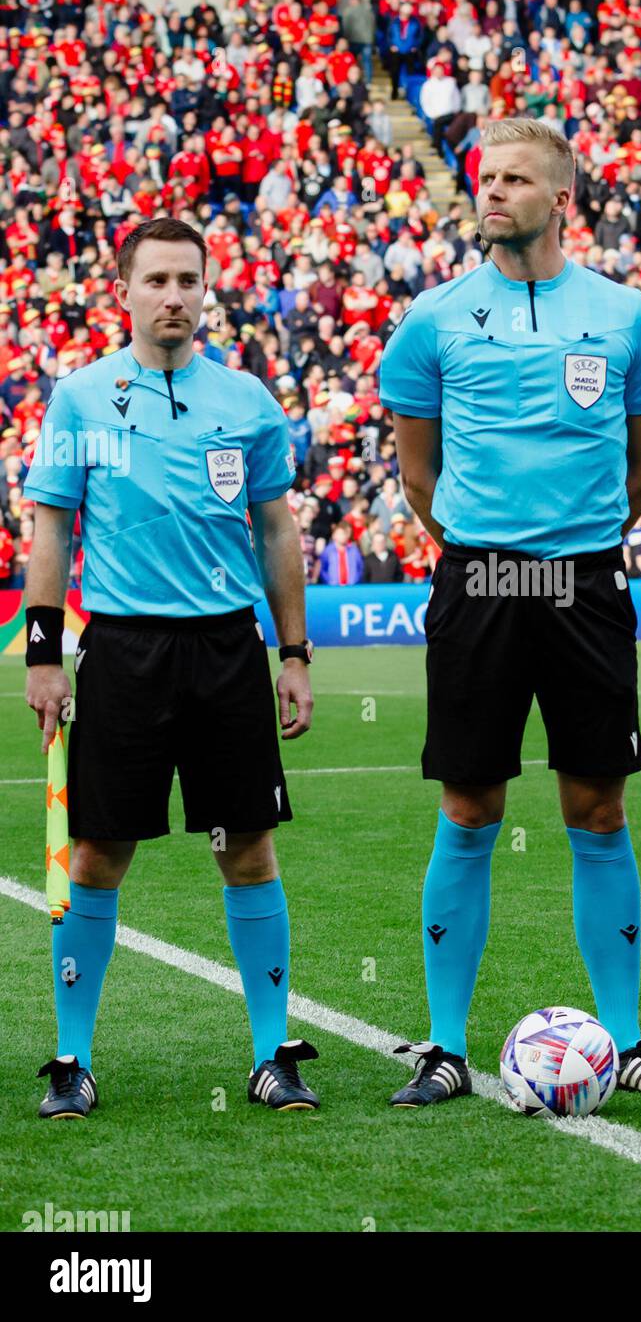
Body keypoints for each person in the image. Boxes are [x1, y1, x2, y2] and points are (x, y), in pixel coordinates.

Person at [380, 117, 641, 1108]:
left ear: (560, 198)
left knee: (595, 808)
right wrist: (485, 543)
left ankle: (624, 1037)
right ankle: (442, 1044)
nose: (492, 193)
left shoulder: (623, 316)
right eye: (486, 177)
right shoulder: (433, 317)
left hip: (585, 585)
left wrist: (569, 537)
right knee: (469, 806)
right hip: (477, 583)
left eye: (515, 179)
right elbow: (416, 472)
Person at [23, 217, 319, 1119]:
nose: (175, 297)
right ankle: (73, 1057)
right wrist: (43, 655)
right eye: (156, 280)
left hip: (229, 649)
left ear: (206, 289)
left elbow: (276, 530)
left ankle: (273, 1054)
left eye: (189, 280)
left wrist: (294, 652)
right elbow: (52, 528)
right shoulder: (79, 398)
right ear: (124, 291)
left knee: (249, 851)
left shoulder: (247, 401)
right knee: (98, 853)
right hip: (122, 650)